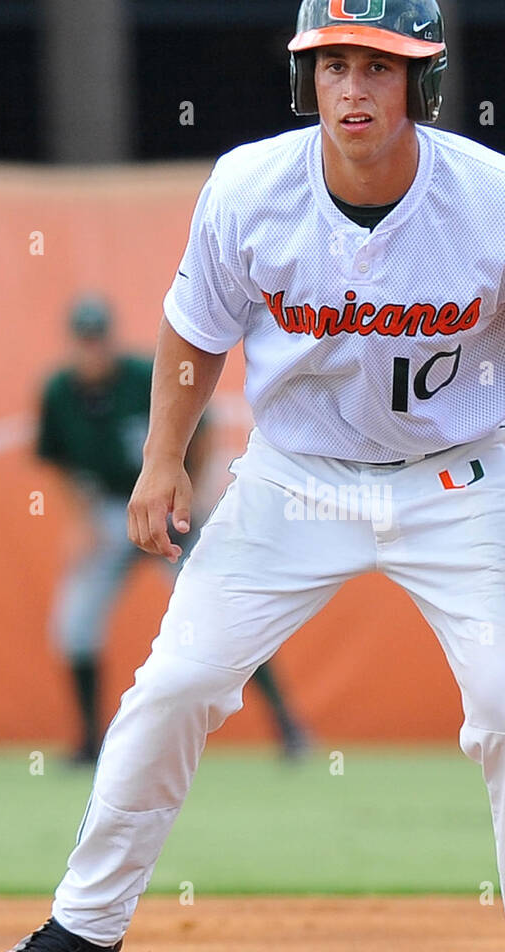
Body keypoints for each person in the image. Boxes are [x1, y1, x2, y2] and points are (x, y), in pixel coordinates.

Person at [0, 0, 505, 952]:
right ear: (307, 77)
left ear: (420, 84)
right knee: (177, 681)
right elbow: (193, 334)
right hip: (291, 481)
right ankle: (83, 926)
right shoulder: (246, 187)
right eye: (333, 63)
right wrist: (160, 462)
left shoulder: (503, 202)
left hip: (457, 484)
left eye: (380, 65)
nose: (353, 86)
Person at [36, 296, 308, 764]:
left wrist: (194, 494)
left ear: (109, 339)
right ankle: (88, 742)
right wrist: (80, 521)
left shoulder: (141, 377)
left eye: (98, 339)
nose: (92, 349)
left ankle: (288, 727)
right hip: (108, 509)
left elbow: (200, 427)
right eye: (84, 340)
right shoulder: (60, 391)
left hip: (165, 507)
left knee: (223, 614)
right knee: (76, 621)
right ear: (73, 343)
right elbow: (57, 462)